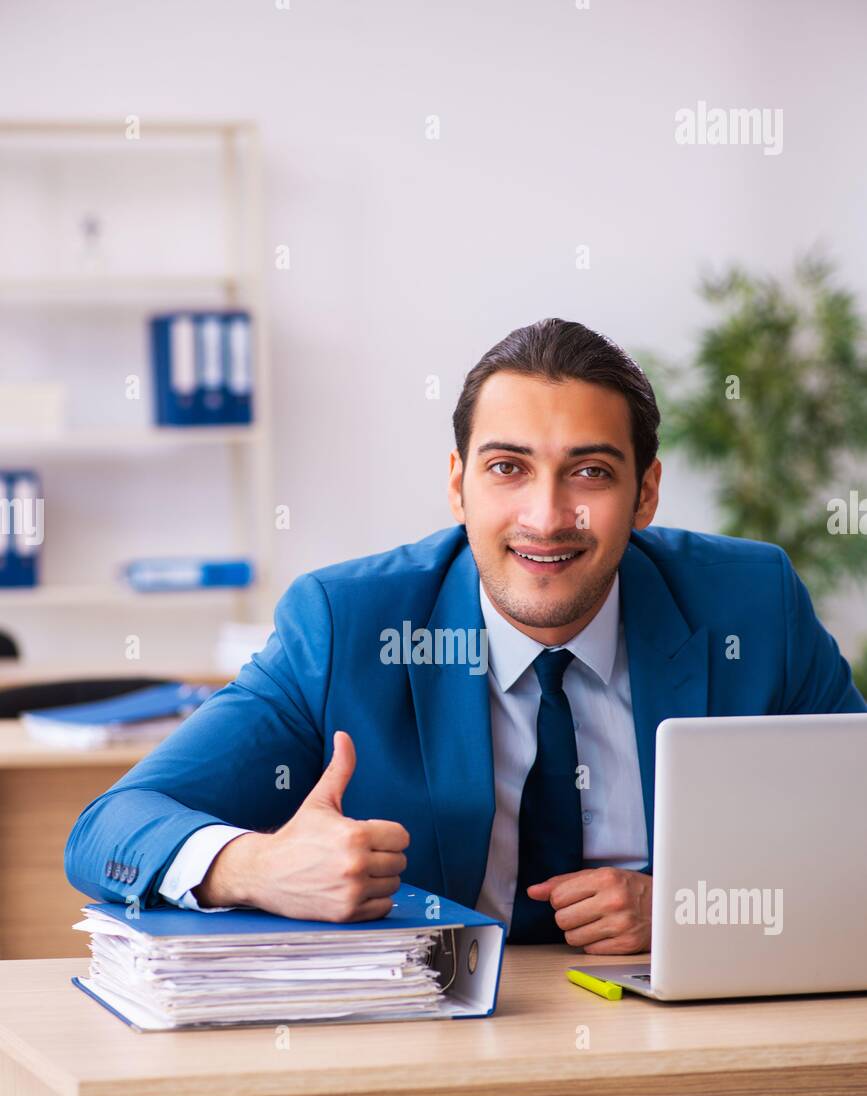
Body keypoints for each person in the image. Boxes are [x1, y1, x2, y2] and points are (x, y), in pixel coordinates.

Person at [65, 318, 866, 951]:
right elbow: (108, 828)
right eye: (507, 468)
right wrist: (256, 867)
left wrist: (700, 905)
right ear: (458, 485)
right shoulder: (347, 624)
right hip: (430, 1053)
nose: (546, 517)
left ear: (645, 492)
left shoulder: (751, 604)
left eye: (589, 472)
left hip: (686, 1043)